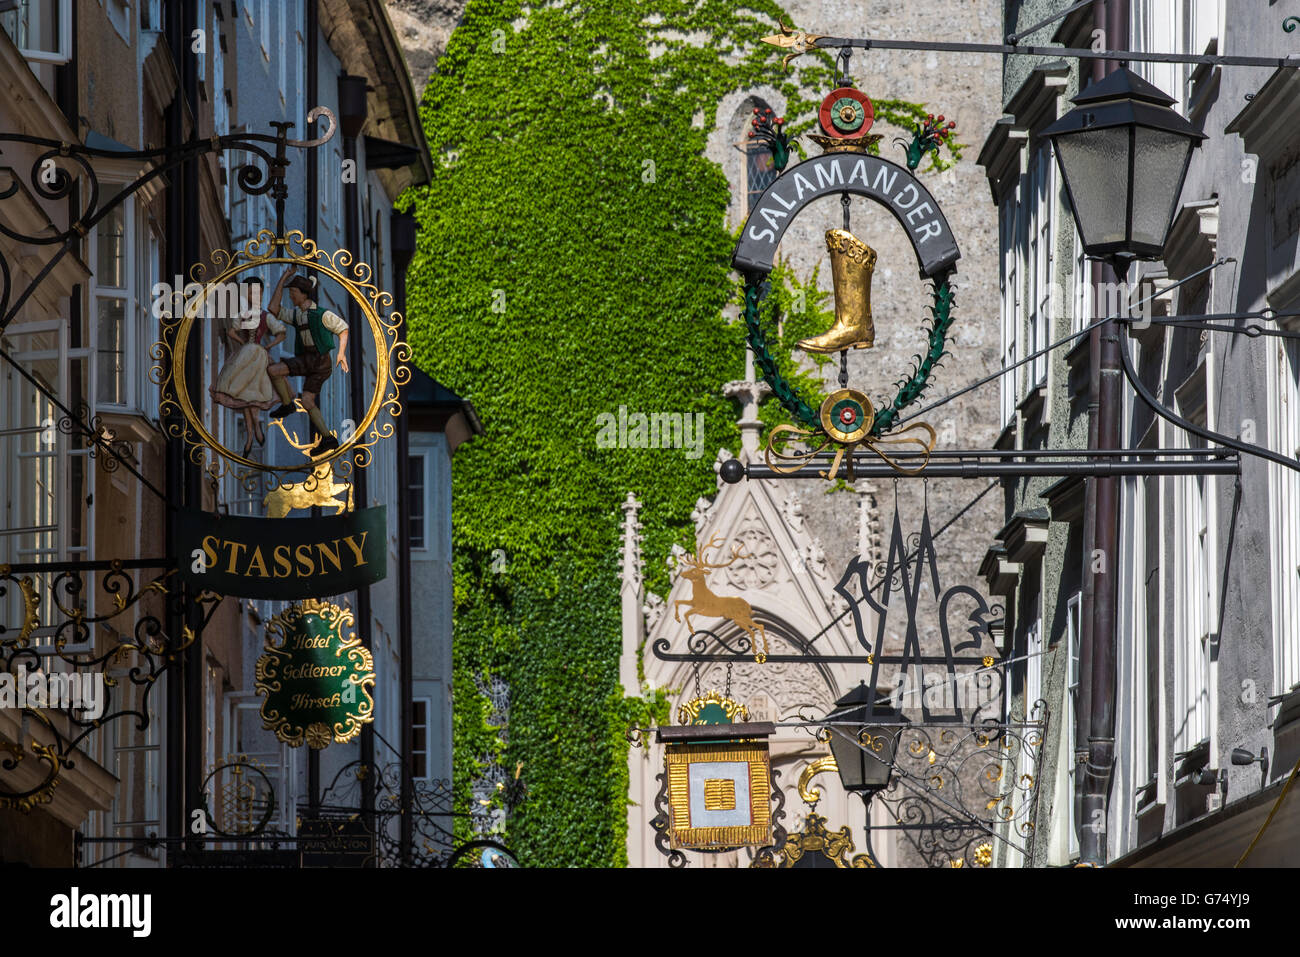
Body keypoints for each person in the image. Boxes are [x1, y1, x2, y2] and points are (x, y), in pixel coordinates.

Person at [265, 267, 350, 456]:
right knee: (273, 370)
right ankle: (288, 405)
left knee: (307, 400)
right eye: (291, 294)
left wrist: (341, 353)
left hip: (320, 362)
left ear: (304, 294)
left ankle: (328, 439)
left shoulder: (322, 314)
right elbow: (273, 308)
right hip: (306, 358)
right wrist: (284, 278)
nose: (292, 297)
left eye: (294, 293)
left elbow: (343, 329)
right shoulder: (296, 315)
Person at [209, 274, 289, 457]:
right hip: (247, 354)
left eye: (259, 293)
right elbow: (231, 331)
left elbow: (281, 332)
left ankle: (253, 434)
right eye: (252, 293)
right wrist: (245, 342)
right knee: (244, 394)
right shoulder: (243, 315)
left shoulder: (265, 316)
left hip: (257, 355)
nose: (256, 297)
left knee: (252, 393)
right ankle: (252, 433)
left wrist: (266, 346)